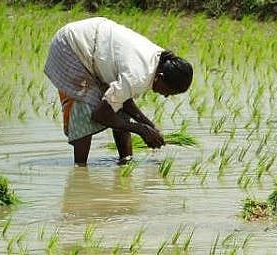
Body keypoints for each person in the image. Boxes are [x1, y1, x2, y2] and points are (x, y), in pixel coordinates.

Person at [44, 17, 193, 166]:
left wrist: (149, 126)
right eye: (168, 91)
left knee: (117, 106)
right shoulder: (139, 75)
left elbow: (122, 99)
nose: (165, 95)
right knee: (85, 105)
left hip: (93, 41)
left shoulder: (160, 60)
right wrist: (142, 130)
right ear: (160, 77)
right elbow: (101, 115)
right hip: (71, 46)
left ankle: (125, 161)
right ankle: (80, 170)